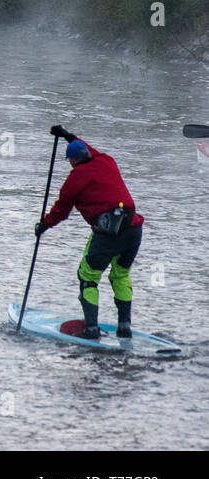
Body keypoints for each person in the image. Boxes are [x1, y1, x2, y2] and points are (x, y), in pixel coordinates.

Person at [37, 127, 144, 340]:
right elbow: (86, 146)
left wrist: (43, 225)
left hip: (108, 233)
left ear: (72, 161)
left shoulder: (74, 179)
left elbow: (61, 211)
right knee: (120, 275)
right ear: (88, 153)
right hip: (134, 228)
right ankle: (124, 327)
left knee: (88, 278)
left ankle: (92, 329)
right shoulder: (105, 160)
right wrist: (67, 135)